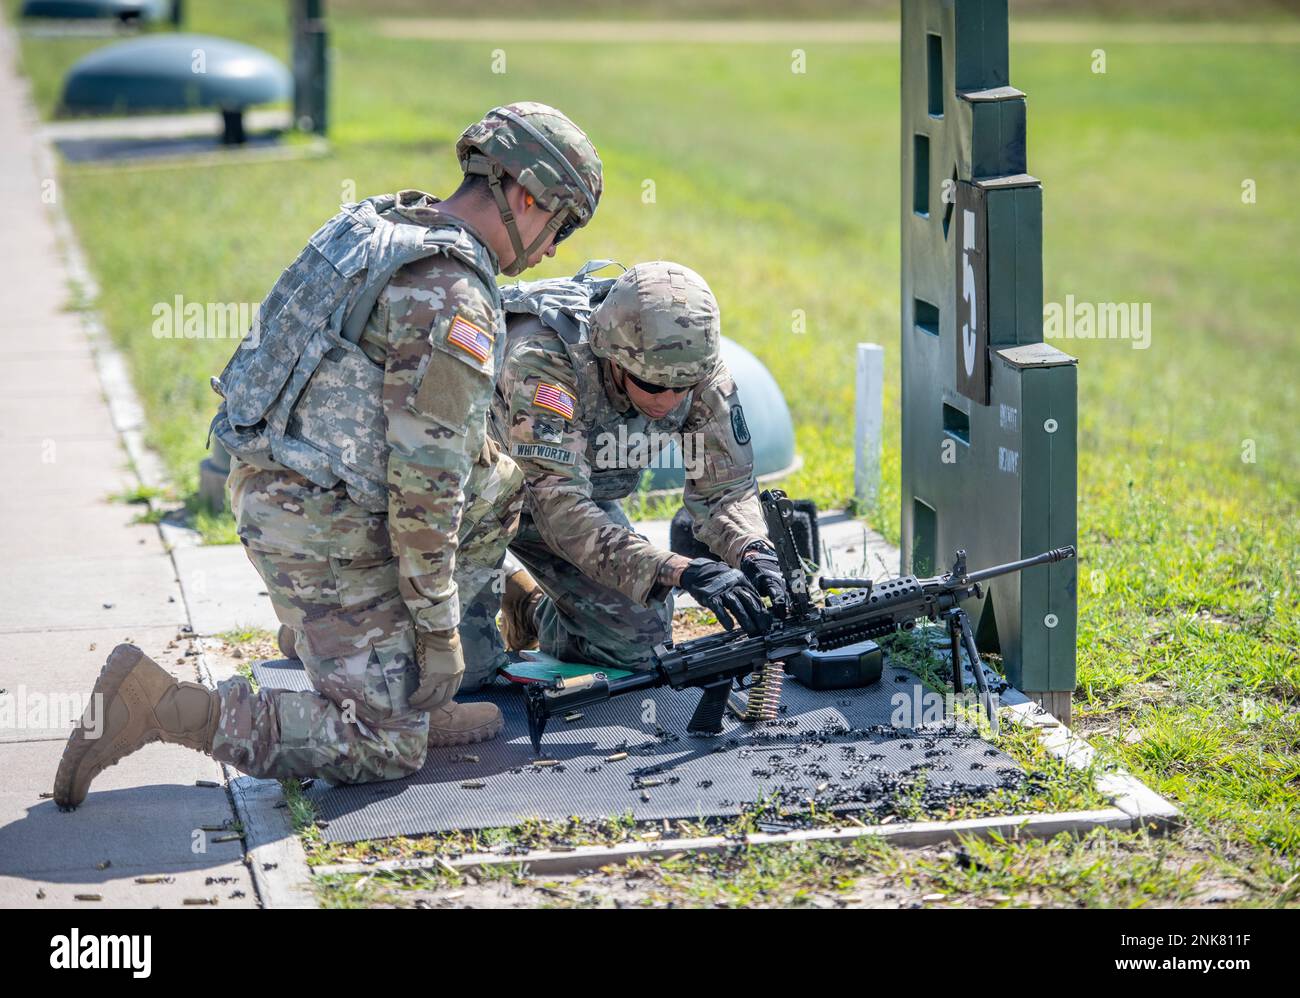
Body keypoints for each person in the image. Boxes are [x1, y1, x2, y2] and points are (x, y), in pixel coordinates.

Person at [54, 103, 603, 808]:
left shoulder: (387, 224)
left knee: (495, 478)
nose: (552, 250)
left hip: (287, 486)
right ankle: (157, 704)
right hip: (315, 525)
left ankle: (391, 680)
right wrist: (438, 633)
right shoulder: (452, 295)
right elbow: (424, 490)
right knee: (381, 745)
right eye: (558, 227)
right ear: (527, 198)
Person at [458, 260, 787, 688]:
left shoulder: (696, 371)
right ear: (612, 358)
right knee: (462, 677)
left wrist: (753, 550)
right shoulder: (545, 363)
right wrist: (677, 569)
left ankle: (529, 604)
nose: (669, 401)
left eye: (682, 388)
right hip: (468, 505)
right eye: (651, 386)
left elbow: (724, 491)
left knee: (640, 641)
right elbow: (562, 511)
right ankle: (483, 587)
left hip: (569, 497)